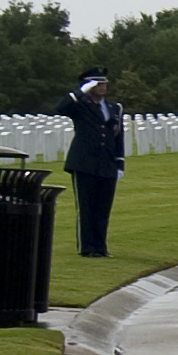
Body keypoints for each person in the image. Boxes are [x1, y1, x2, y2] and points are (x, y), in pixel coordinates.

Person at [55, 67, 126, 257]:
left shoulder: (114, 108)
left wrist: (120, 163)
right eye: (97, 84)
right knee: (86, 208)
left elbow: (118, 136)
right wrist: (81, 92)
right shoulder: (80, 105)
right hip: (84, 163)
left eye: (104, 83)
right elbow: (60, 108)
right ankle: (87, 248)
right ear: (88, 85)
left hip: (107, 163)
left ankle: (101, 247)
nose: (102, 87)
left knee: (103, 208)